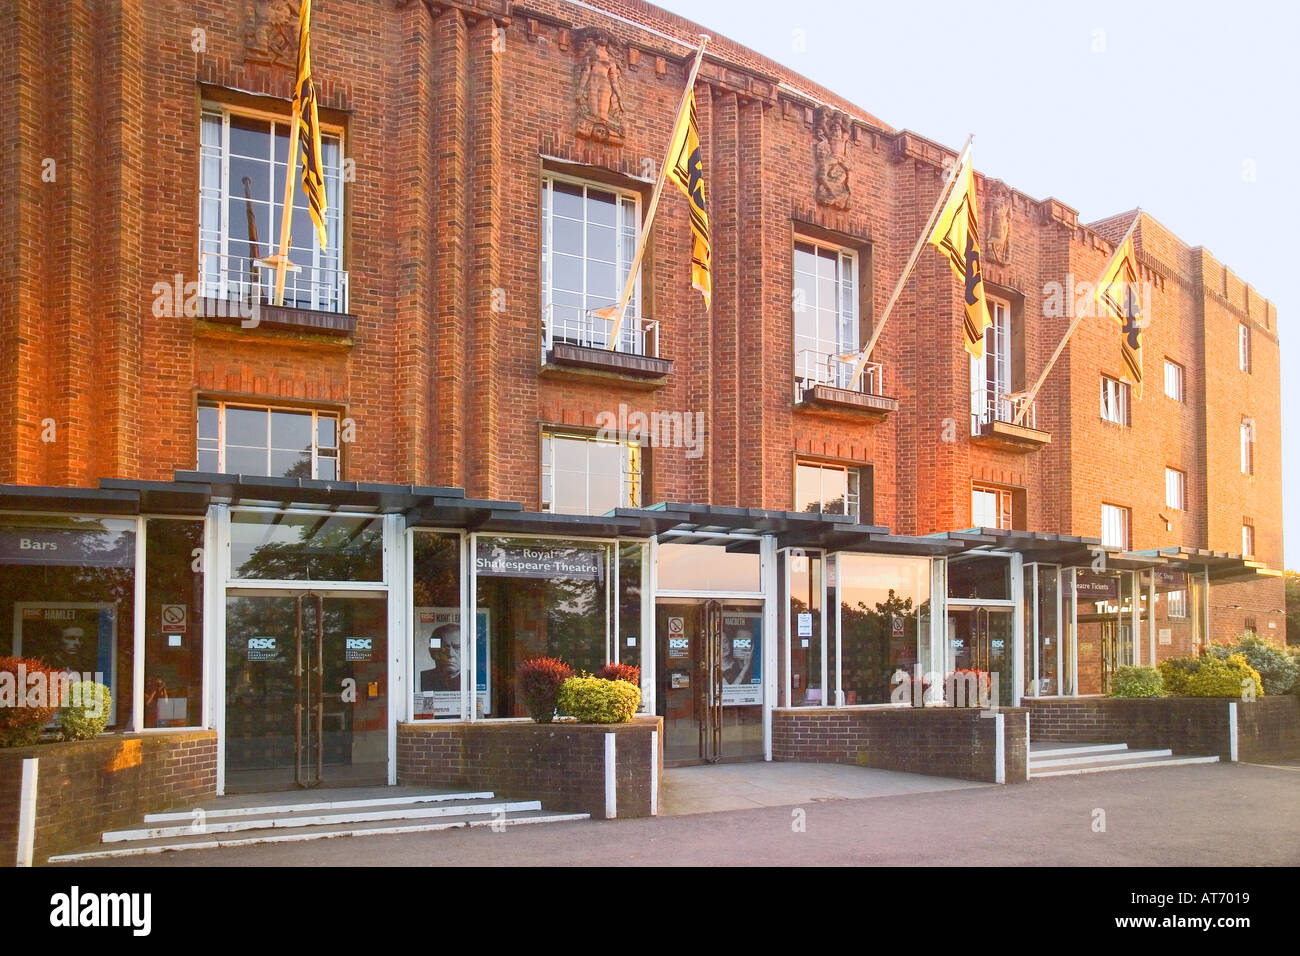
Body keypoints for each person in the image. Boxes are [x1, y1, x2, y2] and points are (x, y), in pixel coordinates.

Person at [419, 622, 461, 692]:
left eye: (457, 647)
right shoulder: (423, 678)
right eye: (443, 648)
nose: (450, 654)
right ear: (432, 652)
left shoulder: (474, 678)